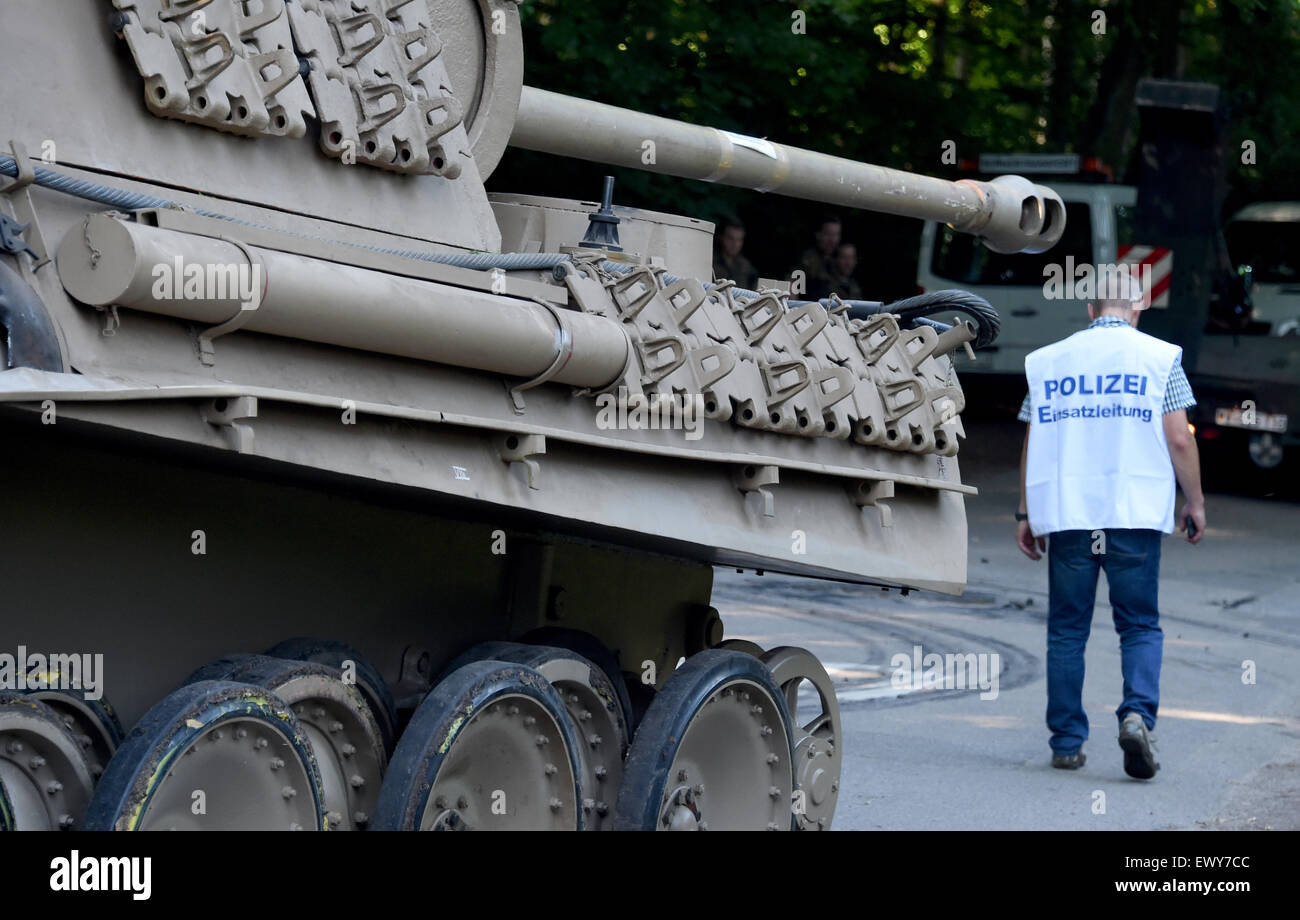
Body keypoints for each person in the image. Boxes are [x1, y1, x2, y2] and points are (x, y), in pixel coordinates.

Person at [1015, 270, 1206, 780]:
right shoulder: (1160, 358)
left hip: (1072, 516)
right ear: (1138, 307)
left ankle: (1066, 742)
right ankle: (1137, 715)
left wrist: (1025, 511)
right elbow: (1180, 440)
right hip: (1133, 515)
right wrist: (1196, 503)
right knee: (1139, 624)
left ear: (1090, 310)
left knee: (1067, 629)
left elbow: (1034, 440)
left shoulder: (1051, 361)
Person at [797, 215, 841, 300]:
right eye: (828, 234)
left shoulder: (838, 261)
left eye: (836, 235)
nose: (832, 240)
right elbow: (793, 287)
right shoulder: (809, 259)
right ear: (818, 235)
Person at [712, 216, 759, 290]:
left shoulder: (747, 268)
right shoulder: (711, 263)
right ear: (722, 237)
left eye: (739, 240)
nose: (735, 244)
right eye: (731, 238)